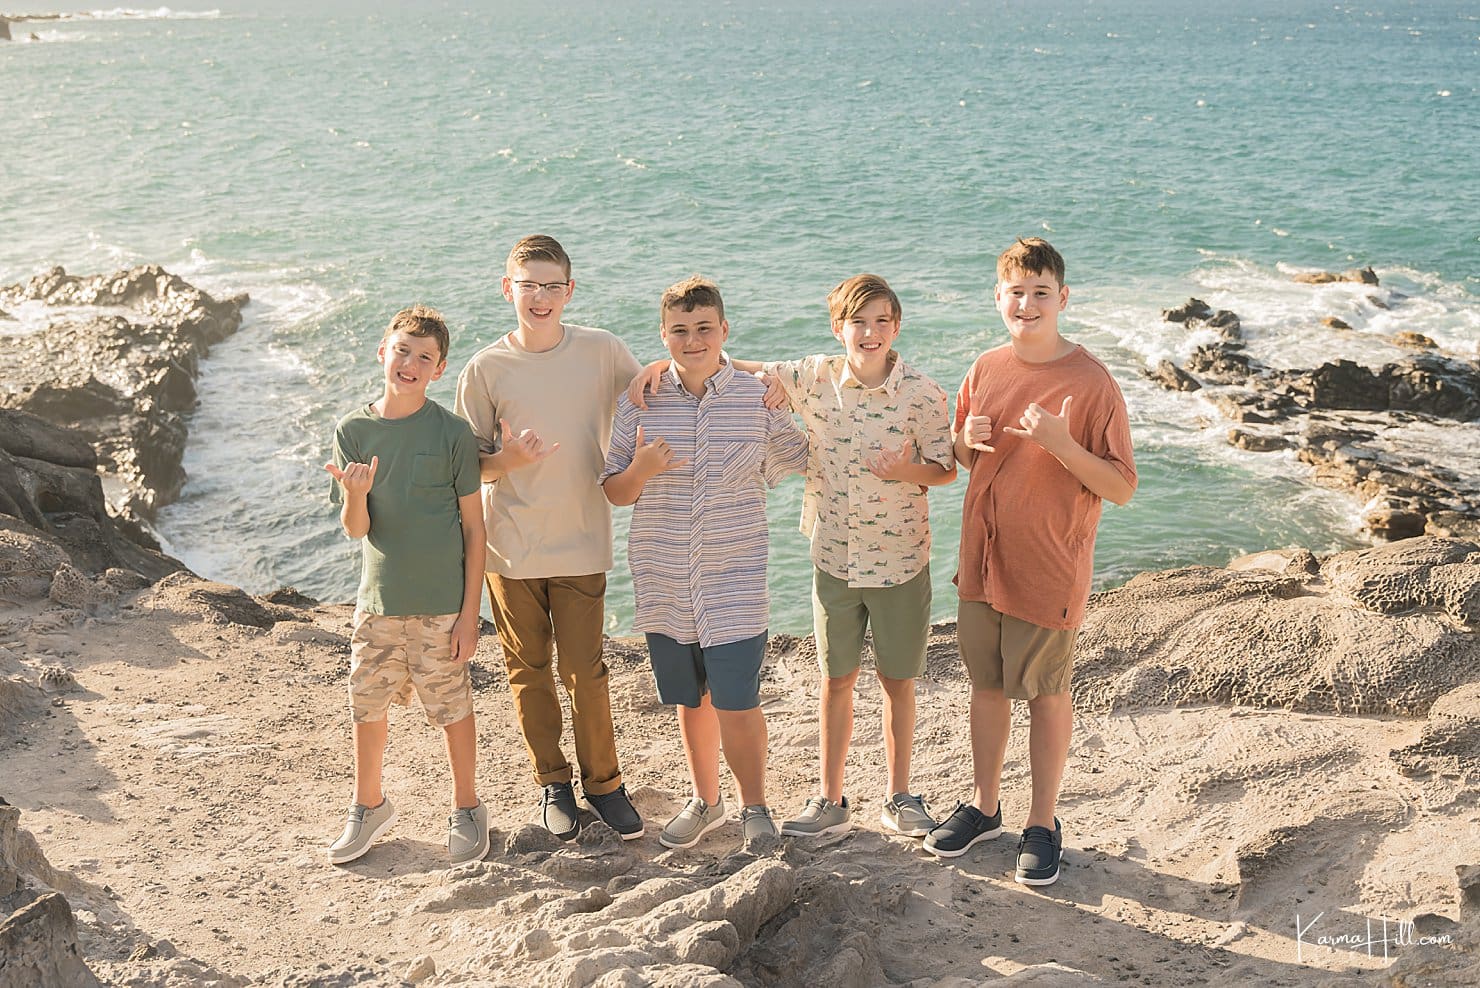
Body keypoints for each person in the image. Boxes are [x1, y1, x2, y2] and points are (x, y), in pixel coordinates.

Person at [629, 273, 956, 840]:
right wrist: (657, 367)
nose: (870, 332)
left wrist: (905, 471)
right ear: (838, 329)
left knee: (898, 681)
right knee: (836, 679)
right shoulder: (815, 376)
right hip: (832, 554)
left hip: (901, 558)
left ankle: (900, 795)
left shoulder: (923, 394)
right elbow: (737, 367)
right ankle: (831, 798)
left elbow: (947, 467)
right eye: (858, 321)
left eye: (881, 321)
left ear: (896, 327)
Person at [923, 238, 1137, 887]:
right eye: (1016, 292)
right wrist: (964, 440)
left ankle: (1042, 823)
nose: (1027, 303)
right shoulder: (985, 366)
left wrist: (1062, 444)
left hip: (1050, 567)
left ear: (1062, 299)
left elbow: (1122, 487)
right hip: (982, 561)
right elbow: (964, 454)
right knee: (986, 688)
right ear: (998, 299)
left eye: (1041, 292)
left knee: (1046, 694)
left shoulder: (1093, 383)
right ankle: (986, 807)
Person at [602, 276, 808, 850]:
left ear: (724, 331)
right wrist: (641, 468)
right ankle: (706, 801)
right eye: (680, 331)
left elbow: (805, 455)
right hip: (665, 580)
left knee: (738, 702)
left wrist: (789, 388)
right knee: (690, 701)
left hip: (735, 580)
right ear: (663, 335)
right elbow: (615, 491)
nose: (693, 340)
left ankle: (756, 806)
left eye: (704, 329)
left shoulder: (755, 398)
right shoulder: (638, 400)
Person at [453, 234, 645, 842]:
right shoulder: (484, 368)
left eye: (551, 285)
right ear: (507, 289)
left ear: (570, 290)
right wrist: (505, 460)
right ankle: (553, 784)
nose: (540, 297)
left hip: (583, 539)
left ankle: (606, 785)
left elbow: (657, 394)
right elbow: (467, 467)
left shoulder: (603, 351)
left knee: (586, 672)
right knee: (528, 672)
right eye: (527, 285)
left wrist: (759, 381)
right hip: (509, 549)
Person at [324, 304, 490, 866]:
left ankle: (467, 807)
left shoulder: (452, 433)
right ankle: (368, 805)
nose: (410, 364)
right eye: (402, 351)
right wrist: (354, 492)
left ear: (439, 369)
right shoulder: (352, 431)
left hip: (443, 606)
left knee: (452, 707)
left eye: (424, 357)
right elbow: (356, 529)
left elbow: (475, 527)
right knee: (365, 706)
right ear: (382, 352)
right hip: (377, 604)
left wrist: (471, 615)